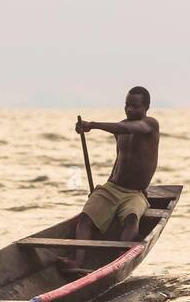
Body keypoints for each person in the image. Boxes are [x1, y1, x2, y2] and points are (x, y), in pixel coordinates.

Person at [60, 85, 160, 270]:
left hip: (134, 193)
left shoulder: (149, 125)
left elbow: (126, 128)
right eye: (127, 105)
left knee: (131, 218)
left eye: (135, 106)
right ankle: (78, 261)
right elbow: (121, 159)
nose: (130, 109)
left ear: (146, 108)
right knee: (85, 218)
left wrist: (92, 125)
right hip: (112, 187)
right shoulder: (121, 128)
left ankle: (119, 262)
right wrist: (104, 189)